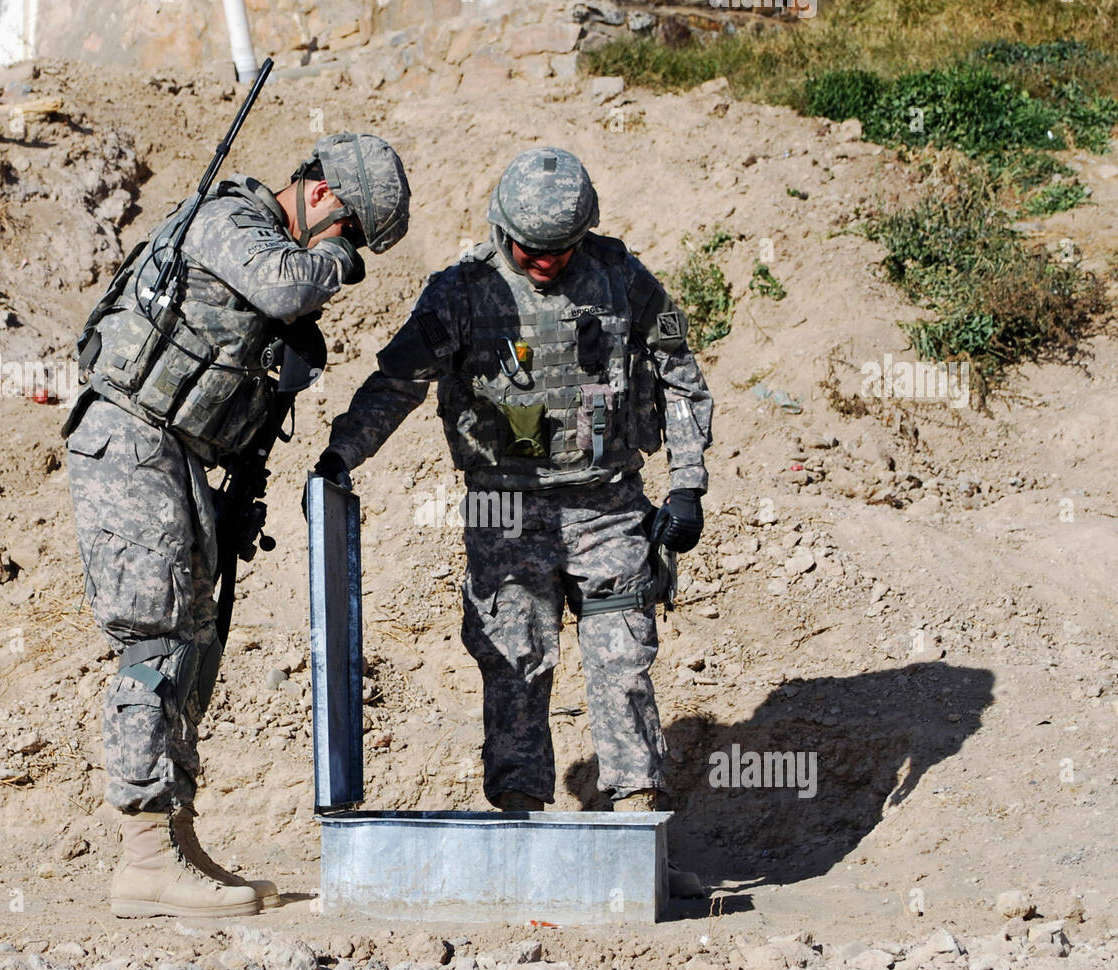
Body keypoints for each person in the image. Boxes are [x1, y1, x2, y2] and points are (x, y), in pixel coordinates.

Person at [63, 132, 411, 917]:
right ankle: (145, 857)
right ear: (321, 195)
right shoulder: (232, 220)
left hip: (176, 452)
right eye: (351, 231)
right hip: (131, 438)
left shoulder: (266, 242)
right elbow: (288, 287)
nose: (349, 254)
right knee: (154, 638)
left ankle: (176, 840)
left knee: (192, 637)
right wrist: (339, 264)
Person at [315, 147, 712, 813]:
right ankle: (520, 820)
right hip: (505, 511)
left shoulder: (623, 279)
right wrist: (341, 455)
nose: (546, 262)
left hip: (608, 506)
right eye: (531, 248)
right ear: (503, 229)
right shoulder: (464, 290)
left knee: (622, 664)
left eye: (561, 249)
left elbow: (679, 372)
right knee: (513, 665)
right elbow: (399, 382)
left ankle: (642, 820)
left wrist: (688, 484)